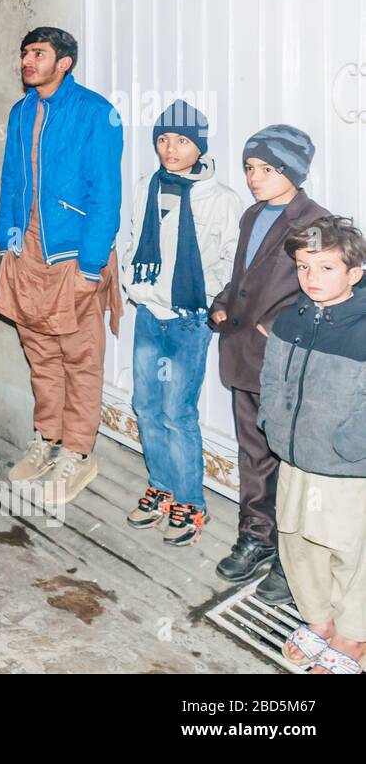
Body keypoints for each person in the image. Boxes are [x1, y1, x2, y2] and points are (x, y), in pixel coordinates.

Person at [0, 26, 123, 504]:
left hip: (72, 255)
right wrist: (7, 234)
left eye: (39, 53)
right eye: (25, 52)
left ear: (63, 62)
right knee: (41, 355)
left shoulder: (95, 113)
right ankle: (47, 440)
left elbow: (106, 195)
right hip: (28, 254)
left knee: (80, 359)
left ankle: (79, 454)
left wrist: (92, 266)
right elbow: (10, 178)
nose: (28, 60)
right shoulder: (21, 111)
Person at [210, 124, 327, 603]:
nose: (254, 178)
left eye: (267, 169)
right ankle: (256, 538)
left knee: (292, 461)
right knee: (253, 455)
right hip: (243, 358)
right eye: (249, 169)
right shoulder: (252, 215)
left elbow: (323, 292)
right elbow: (242, 276)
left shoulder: (316, 222)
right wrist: (220, 302)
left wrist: (273, 324)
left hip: (283, 363)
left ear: (293, 171)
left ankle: (289, 560)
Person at [121, 101, 242, 546]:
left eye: (182, 140)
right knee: (146, 406)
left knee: (178, 412)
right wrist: (135, 288)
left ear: (200, 146)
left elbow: (233, 261)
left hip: (189, 321)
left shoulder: (221, 198)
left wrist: (209, 302)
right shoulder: (145, 186)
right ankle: (161, 487)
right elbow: (134, 238)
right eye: (163, 139)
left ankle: (191, 500)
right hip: (149, 314)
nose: (170, 148)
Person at [258, 216, 366, 674]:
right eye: (304, 267)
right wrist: (272, 421)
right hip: (295, 456)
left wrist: (350, 444)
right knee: (298, 541)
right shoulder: (289, 319)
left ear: (354, 274)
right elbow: (269, 380)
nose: (312, 279)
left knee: (349, 550)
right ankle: (319, 620)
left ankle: (353, 635)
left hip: (345, 465)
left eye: (325, 268)